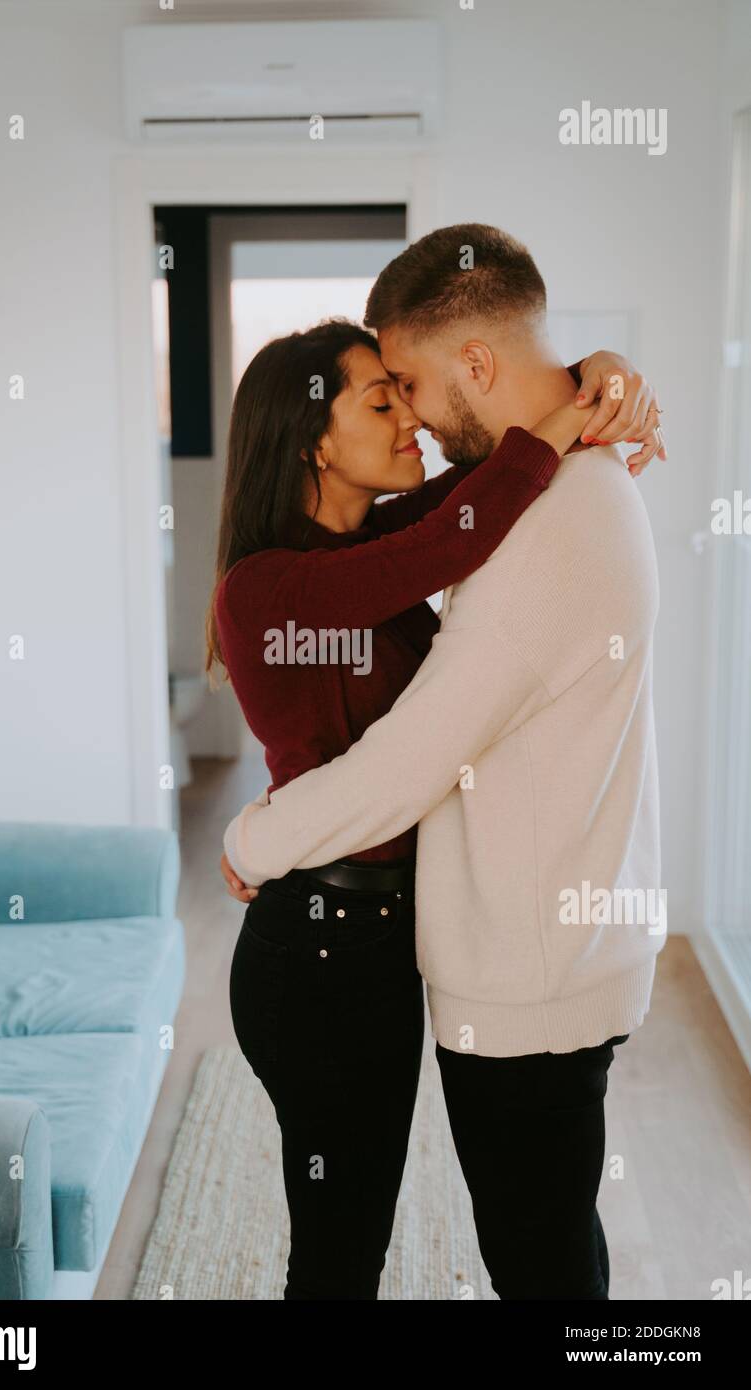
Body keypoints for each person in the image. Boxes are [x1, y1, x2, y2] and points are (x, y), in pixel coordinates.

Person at [213, 230, 665, 1300]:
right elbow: (447, 538)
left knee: (527, 1249)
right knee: (351, 1248)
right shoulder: (282, 583)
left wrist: (587, 386)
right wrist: (575, 400)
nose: (408, 414)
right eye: (380, 400)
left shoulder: (488, 524)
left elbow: (452, 534)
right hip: (317, 945)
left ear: (470, 364)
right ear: (311, 444)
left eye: (403, 385)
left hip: (439, 952)